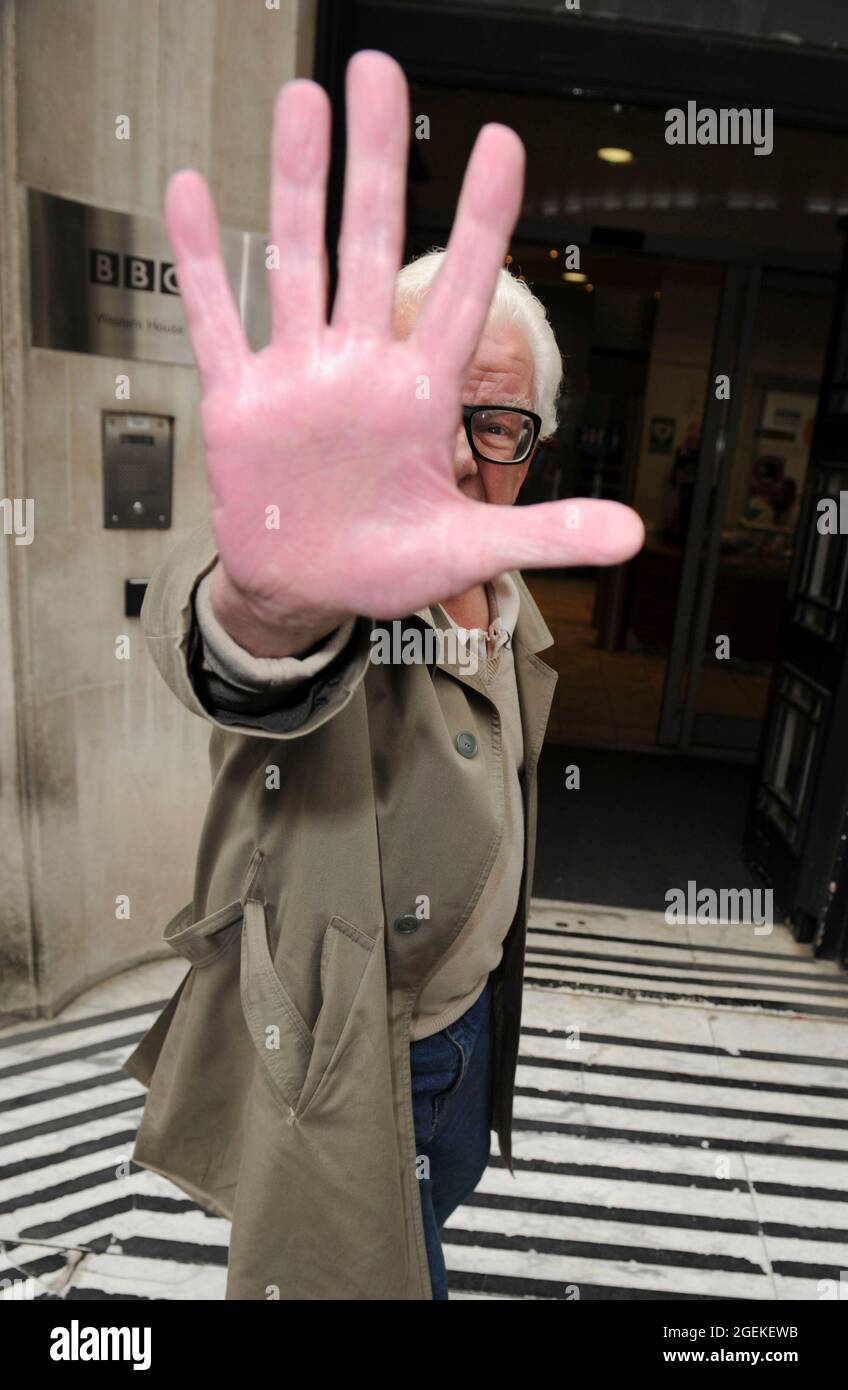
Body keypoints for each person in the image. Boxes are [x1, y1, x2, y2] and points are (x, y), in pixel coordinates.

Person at [122, 49, 644, 1301]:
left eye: (499, 425)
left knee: (427, 1227)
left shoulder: (511, 602)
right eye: (424, 415)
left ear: (539, 437)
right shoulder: (344, 594)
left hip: (466, 1037)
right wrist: (261, 608)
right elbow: (244, 660)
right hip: (363, 1050)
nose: (462, 465)